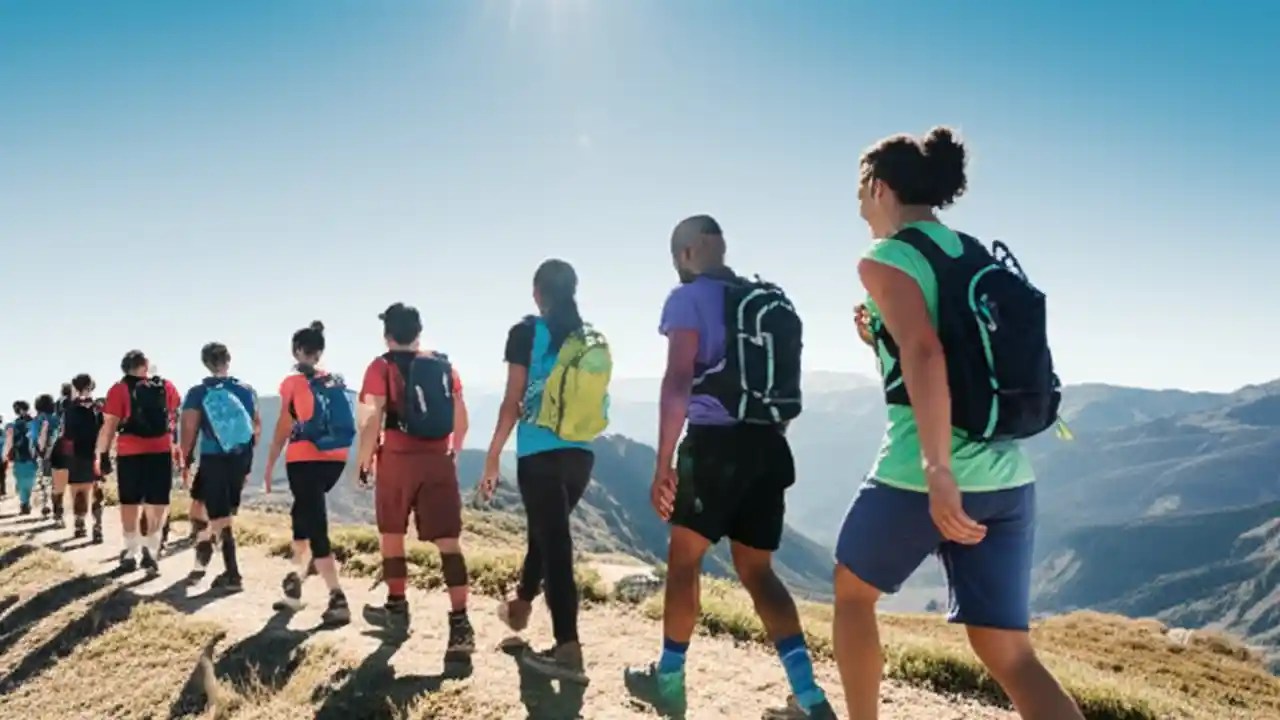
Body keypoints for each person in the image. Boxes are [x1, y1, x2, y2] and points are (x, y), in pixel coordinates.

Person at [836, 127, 1082, 720]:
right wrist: (878, 337)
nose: (859, 208)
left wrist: (937, 468)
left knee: (851, 595)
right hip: (1007, 478)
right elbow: (939, 348)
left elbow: (926, 354)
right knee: (1010, 653)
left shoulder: (886, 257)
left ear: (878, 186)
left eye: (860, 193)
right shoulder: (969, 251)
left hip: (926, 475)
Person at [625, 216, 835, 719]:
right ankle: (809, 698)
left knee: (683, 562)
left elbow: (678, 380)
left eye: (677, 257)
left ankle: (669, 684)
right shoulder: (764, 301)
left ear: (688, 252)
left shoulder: (690, 298)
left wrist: (662, 463)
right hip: (769, 446)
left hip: (715, 445)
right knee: (759, 572)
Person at [479, 259, 611, 684]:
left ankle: (567, 649)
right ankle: (519, 605)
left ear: (537, 292)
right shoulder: (586, 336)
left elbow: (512, 400)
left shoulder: (525, 333)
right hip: (581, 454)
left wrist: (493, 453)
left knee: (554, 542)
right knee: (546, 531)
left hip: (539, 453)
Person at [356, 303, 475, 649]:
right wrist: (453, 452)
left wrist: (364, 462)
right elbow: (461, 419)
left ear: (387, 334)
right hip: (438, 458)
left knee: (392, 534)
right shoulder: (443, 366)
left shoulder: (380, 367)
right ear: (419, 331)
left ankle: (396, 610)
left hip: (396, 459)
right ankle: (460, 624)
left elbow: (371, 420)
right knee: (449, 543)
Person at [263, 321, 352, 626]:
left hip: (304, 459)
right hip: (336, 458)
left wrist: (270, 461)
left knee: (314, 524)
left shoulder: (292, 382)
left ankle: (337, 597)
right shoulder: (335, 380)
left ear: (297, 351)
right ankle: (294, 585)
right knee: (301, 514)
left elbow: (284, 426)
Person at [180, 342, 260, 592]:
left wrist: (185, 459)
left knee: (218, 516)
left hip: (213, 458)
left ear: (205, 362)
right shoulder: (246, 390)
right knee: (211, 511)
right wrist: (246, 463)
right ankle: (201, 562)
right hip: (239, 457)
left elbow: (189, 429)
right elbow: (255, 428)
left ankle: (232, 573)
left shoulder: (198, 392)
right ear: (228, 360)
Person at [96, 350, 182, 574]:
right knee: (157, 502)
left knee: (130, 502)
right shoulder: (166, 386)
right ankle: (151, 550)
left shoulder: (118, 389)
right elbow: (173, 414)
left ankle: (130, 550)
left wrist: (103, 455)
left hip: (129, 452)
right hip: (160, 450)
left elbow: (109, 426)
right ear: (145, 365)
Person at [63, 374, 105, 541]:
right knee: (97, 491)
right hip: (95, 454)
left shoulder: (69, 409)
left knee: (78, 490)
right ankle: (97, 527)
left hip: (77, 455)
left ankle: (80, 524)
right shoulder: (98, 408)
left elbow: (66, 434)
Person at [33, 393, 66, 525]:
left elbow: (38, 439)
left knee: (45, 482)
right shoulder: (57, 418)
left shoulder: (38, 420)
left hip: (45, 455)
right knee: (58, 484)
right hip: (60, 455)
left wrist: (41, 452)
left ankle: (45, 506)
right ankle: (58, 513)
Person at [5, 401, 38, 515]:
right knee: (30, 480)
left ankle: (24, 502)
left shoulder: (13, 425)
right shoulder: (34, 423)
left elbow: (9, 442)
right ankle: (26, 502)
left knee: (21, 481)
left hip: (19, 457)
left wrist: (6, 455)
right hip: (32, 457)